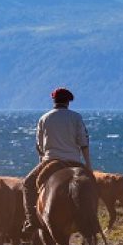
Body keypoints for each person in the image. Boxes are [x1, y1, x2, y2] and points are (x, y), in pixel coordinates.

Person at [21, 87, 91, 235]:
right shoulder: (76, 117)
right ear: (68, 102)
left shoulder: (44, 118)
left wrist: (42, 161)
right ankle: (92, 220)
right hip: (74, 161)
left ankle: (31, 222)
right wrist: (88, 166)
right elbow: (84, 142)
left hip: (51, 160)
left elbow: (40, 146)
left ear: (54, 101)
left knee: (27, 183)